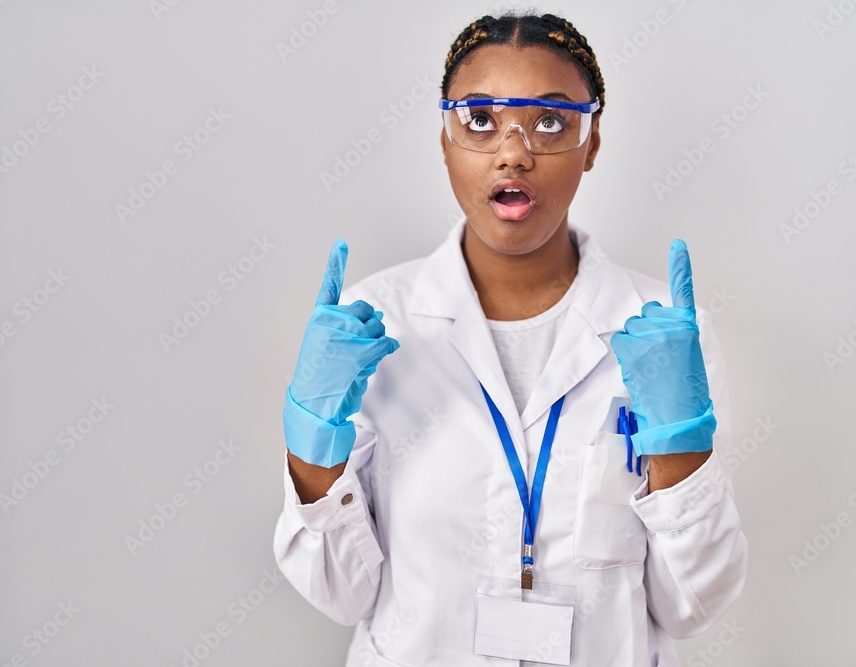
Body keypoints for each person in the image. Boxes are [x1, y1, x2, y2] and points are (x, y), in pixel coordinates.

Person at [274, 12, 747, 666]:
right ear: (444, 139)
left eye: (551, 121)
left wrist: (681, 444)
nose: (514, 150)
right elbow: (341, 595)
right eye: (479, 119)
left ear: (593, 141)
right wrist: (311, 439)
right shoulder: (374, 325)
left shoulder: (661, 333)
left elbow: (691, 604)